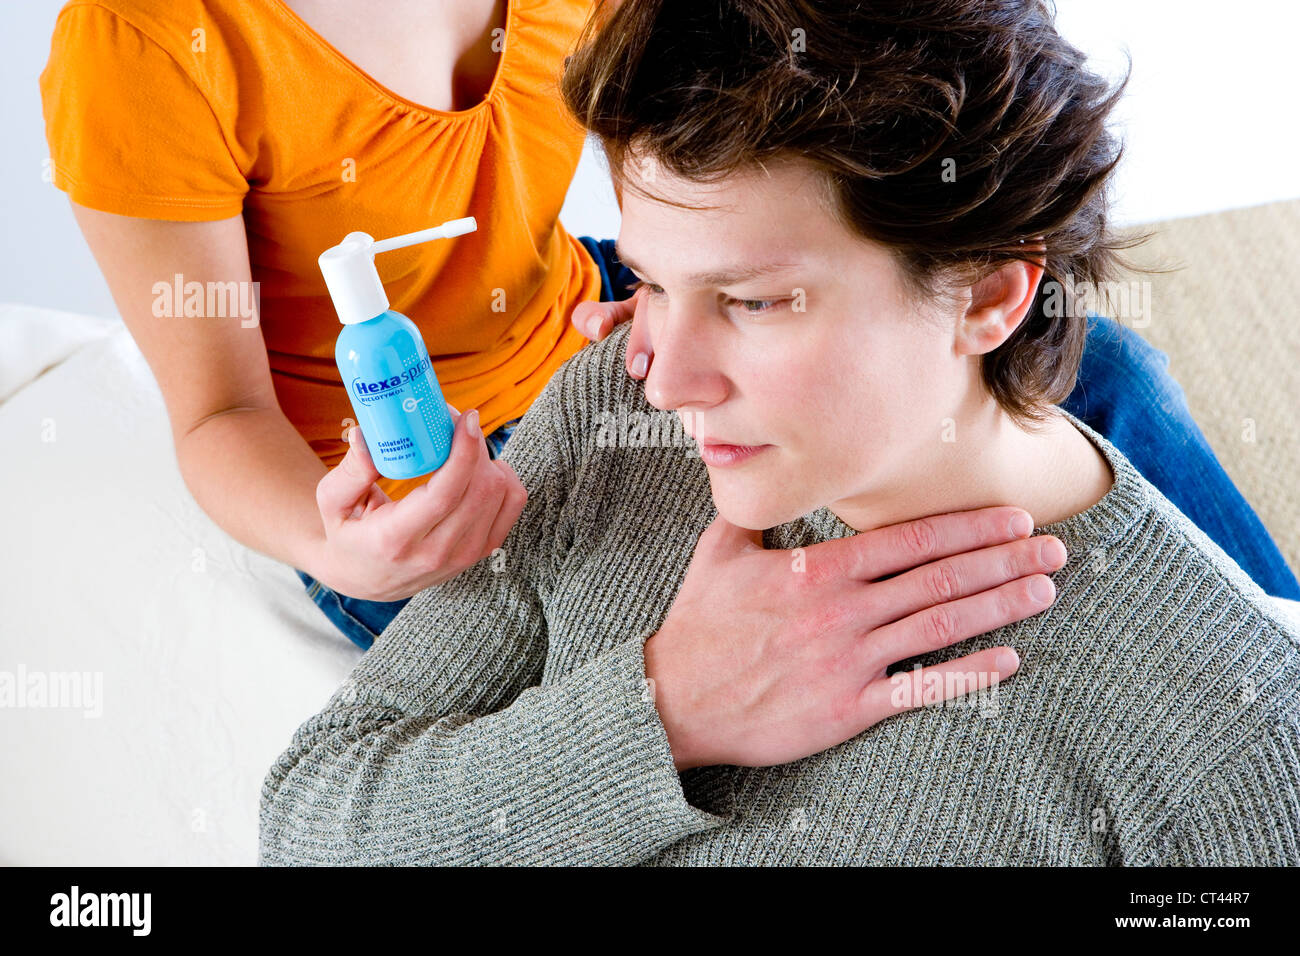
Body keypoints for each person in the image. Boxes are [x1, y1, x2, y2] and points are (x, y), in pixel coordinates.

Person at [258, 0, 1300, 865]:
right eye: (654, 281)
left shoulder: (1229, 740)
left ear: (987, 291)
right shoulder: (608, 423)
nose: (663, 376)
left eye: (753, 301)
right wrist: (660, 710)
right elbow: (311, 823)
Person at [41, 0, 1298, 660]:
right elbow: (216, 413)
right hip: (408, 478)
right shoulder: (148, 42)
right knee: (790, 603)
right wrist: (359, 551)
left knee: (1101, 362)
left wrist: (682, 290)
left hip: (593, 309)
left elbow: (740, 125)